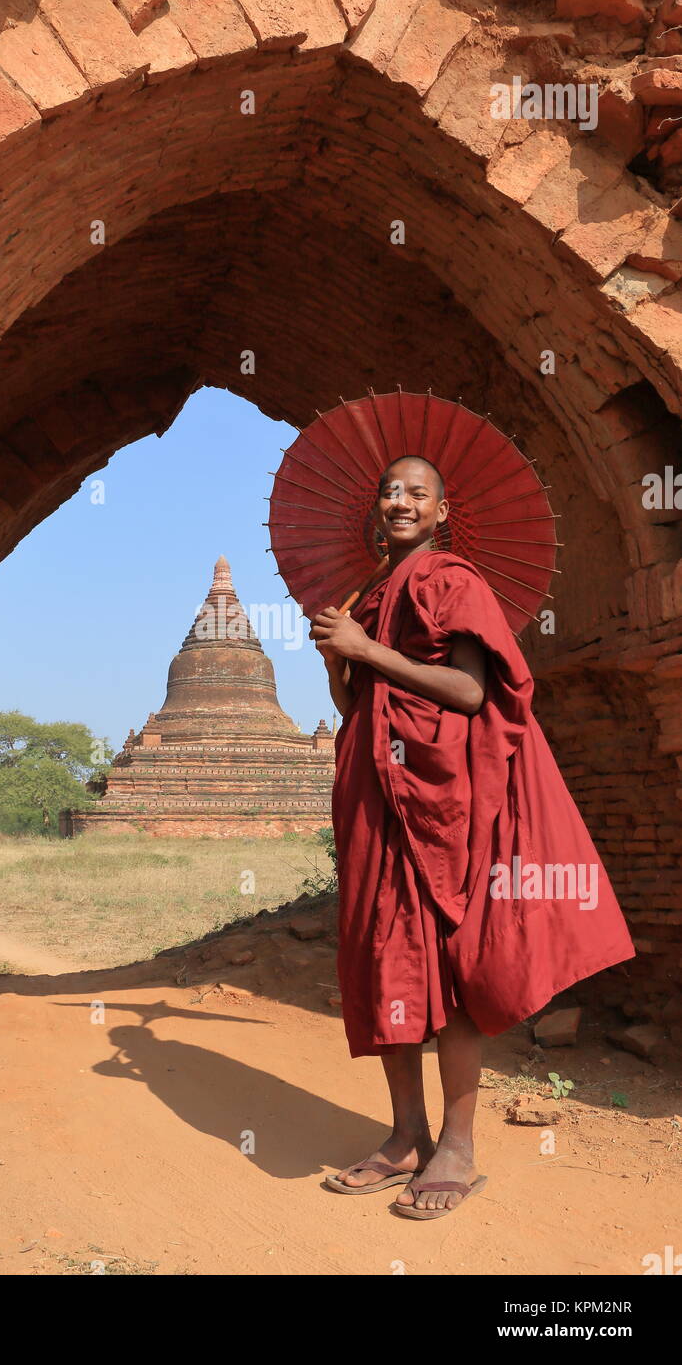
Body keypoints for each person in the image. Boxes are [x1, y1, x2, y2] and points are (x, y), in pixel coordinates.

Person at [308, 455, 635, 1219]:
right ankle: (404, 1139)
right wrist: (339, 660)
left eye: (416, 493)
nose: (400, 502)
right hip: (374, 792)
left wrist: (369, 651)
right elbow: (360, 704)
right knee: (383, 957)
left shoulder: (453, 582)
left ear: (441, 510)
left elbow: (471, 689)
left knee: (448, 968)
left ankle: (456, 1144)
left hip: (440, 799)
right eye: (390, 491)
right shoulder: (372, 594)